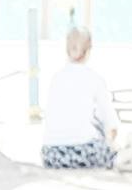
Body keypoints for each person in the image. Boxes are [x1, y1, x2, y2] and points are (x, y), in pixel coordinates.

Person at [38, 22, 117, 168]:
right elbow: (111, 122)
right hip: (82, 151)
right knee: (112, 151)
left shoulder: (56, 78)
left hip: (51, 154)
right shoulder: (95, 79)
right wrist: (110, 143)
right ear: (88, 51)